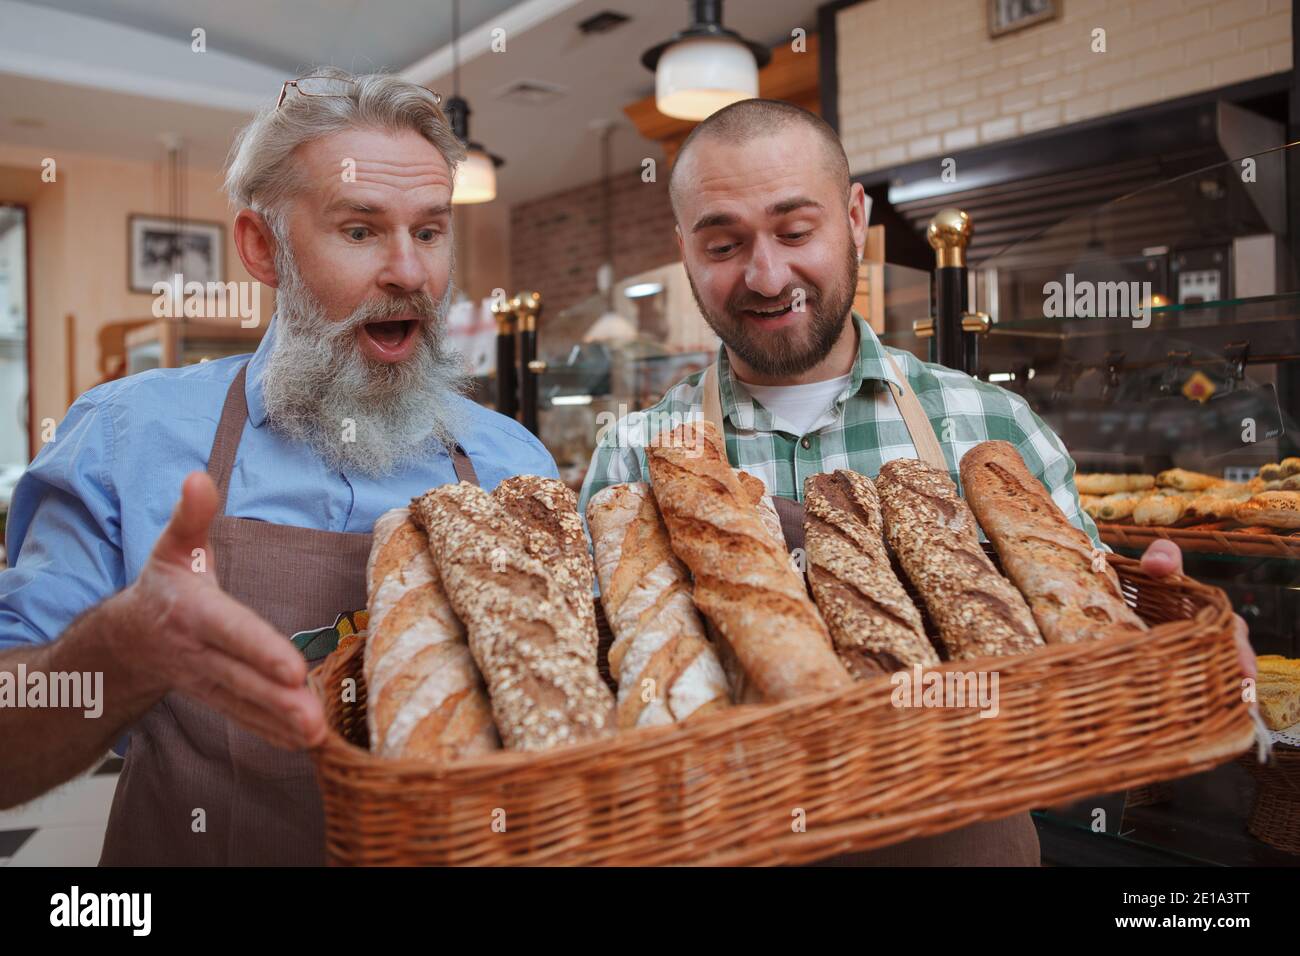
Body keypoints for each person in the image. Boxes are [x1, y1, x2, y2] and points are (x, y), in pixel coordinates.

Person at [577, 98, 1255, 866]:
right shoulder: (634, 457)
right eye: (724, 244)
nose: (766, 274)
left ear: (855, 216)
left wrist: (1173, 645)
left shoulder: (993, 425)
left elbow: (1087, 673)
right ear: (684, 250)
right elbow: (607, 703)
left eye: (797, 232)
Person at [0, 69, 557, 865]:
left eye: (429, 232)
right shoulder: (127, 437)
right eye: (360, 231)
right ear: (263, 248)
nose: (408, 272)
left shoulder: (513, 464)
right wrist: (123, 649)